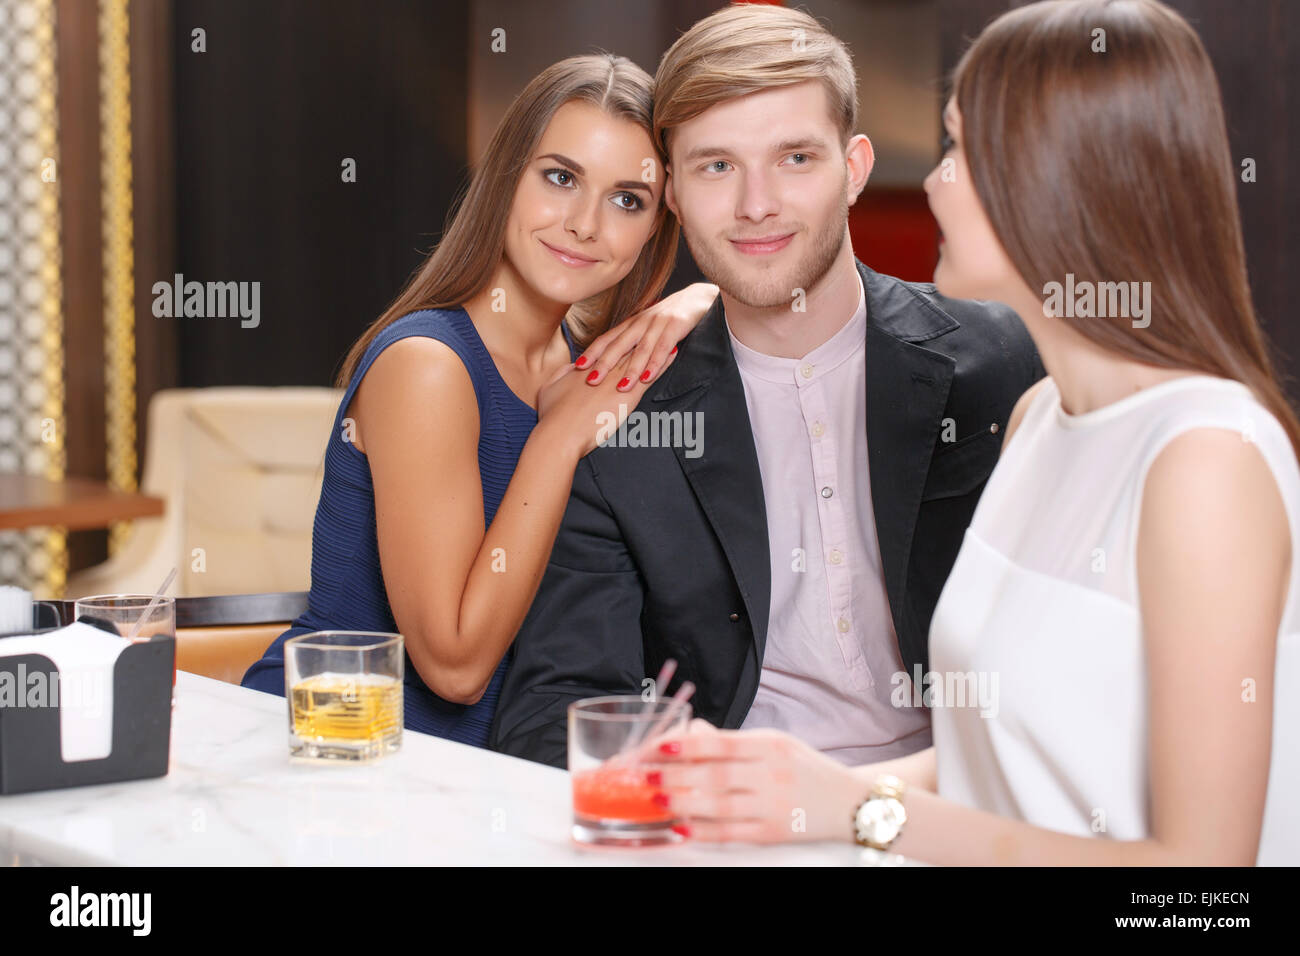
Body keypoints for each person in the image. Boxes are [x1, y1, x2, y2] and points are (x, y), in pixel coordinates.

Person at [642, 0, 1299, 866]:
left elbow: (1203, 889)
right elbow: (1011, 756)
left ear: (1062, 179)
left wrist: (862, 815)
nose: (935, 183)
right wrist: (794, 785)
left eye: (958, 149)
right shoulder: (1037, 420)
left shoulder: (1207, 462)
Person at [489, 5, 1043, 767]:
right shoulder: (620, 414)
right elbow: (555, 713)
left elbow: (1072, 665)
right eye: (716, 165)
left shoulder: (997, 362)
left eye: (794, 159)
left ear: (853, 170)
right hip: (722, 821)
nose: (756, 205)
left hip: (960, 807)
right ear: (673, 193)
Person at [240, 54, 718, 747]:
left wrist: (705, 297)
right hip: (338, 755)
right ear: (505, 178)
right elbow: (454, 667)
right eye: (560, 178)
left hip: (495, 778)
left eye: (627, 199)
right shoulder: (428, 365)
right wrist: (557, 438)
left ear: (656, 226)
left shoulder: (588, 369)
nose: (586, 223)